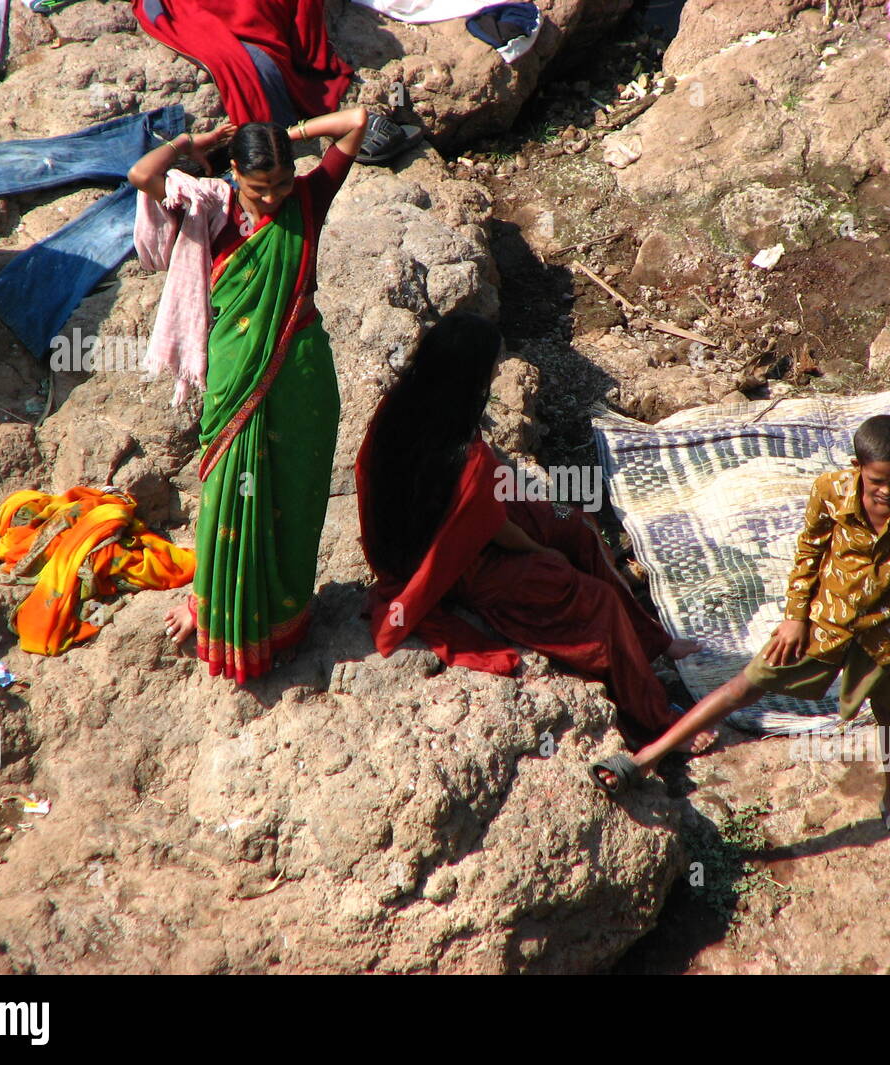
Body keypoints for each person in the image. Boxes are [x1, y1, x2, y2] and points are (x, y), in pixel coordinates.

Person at [591, 415, 890, 867]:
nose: (887, 491)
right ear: (856, 467)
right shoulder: (832, 490)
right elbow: (809, 551)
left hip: (889, 632)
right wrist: (794, 618)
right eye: (877, 481)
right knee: (744, 687)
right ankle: (647, 757)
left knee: (889, 718)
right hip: (824, 622)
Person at [354, 311, 717, 752]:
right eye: (491, 368)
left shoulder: (401, 406)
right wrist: (542, 554)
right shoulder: (464, 456)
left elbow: (477, 510)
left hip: (459, 530)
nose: (495, 374)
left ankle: (649, 641)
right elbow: (498, 532)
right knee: (592, 600)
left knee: (574, 524)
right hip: (457, 564)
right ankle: (656, 722)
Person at [128, 107, 368, 683]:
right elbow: (141, 175)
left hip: (303, 375)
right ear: (234, 173)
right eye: (260, 187)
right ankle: (209, 608)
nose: (272, 198)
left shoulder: (309, 198)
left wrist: (287, 136)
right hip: (234, 370)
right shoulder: (211, 208)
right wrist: (193, 142)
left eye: (281, 183)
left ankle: (285, 614)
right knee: (226, 492)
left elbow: (357, 121)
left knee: (294, 498)